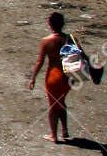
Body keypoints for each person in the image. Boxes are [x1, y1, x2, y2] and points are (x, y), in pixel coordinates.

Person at [28, 11, 73, 144]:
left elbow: (40, 62)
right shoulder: (70, 38)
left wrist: (33, 77)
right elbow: (79, 56)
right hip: (68, 75)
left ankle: (53, 135)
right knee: (62, 102)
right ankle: (64, 130)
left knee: (53, 106)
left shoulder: (46, 41)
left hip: (54, 76)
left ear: (50, 24)